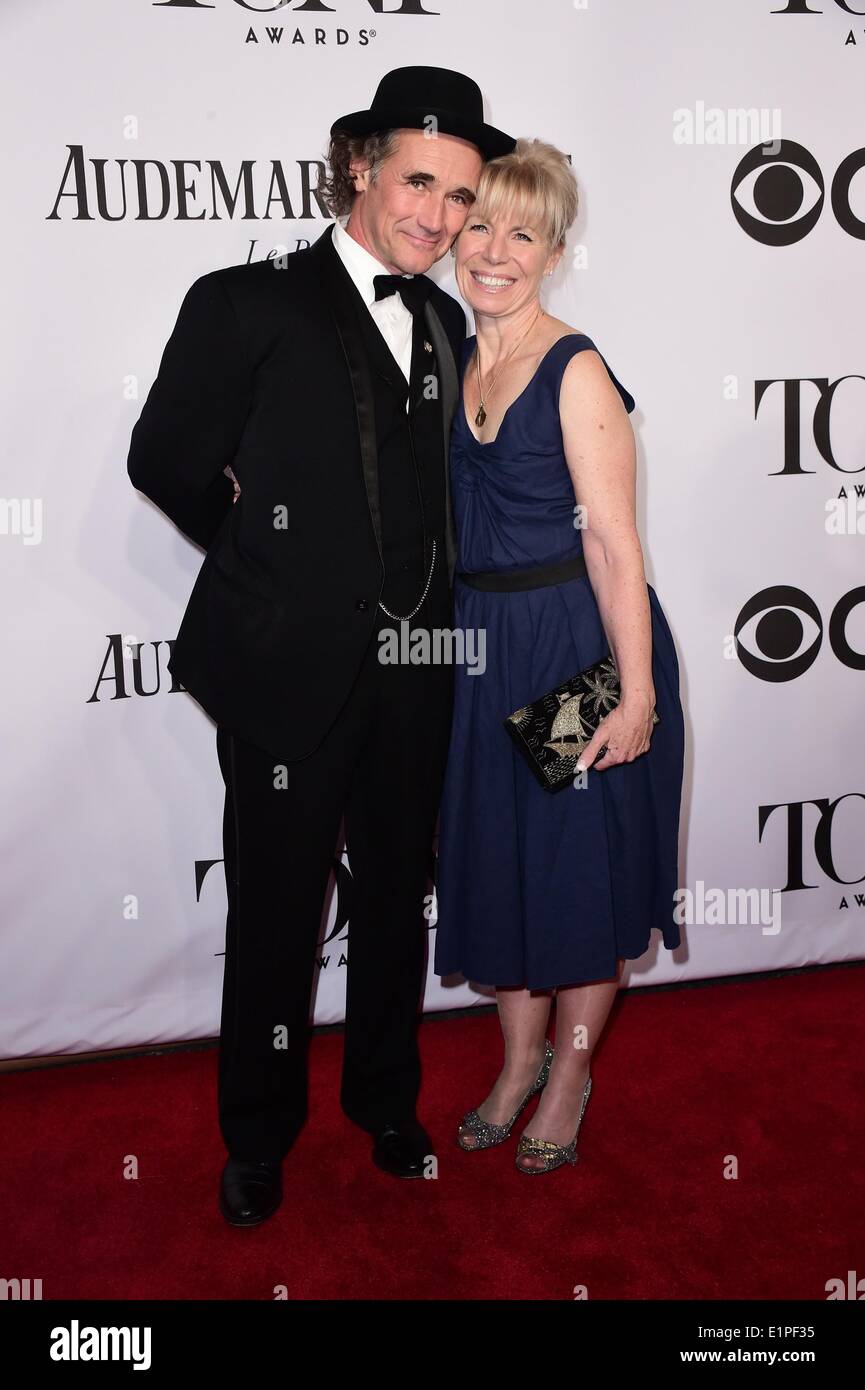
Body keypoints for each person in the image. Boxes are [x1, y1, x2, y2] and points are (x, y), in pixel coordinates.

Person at [126, 67, 515, 1224]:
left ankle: (385, 1102)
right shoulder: (242, 300)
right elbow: (164, 459)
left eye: (457, 195)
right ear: (359, 165)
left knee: (399, 895)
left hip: (414, 670)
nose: (437, 217)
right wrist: (259, 551)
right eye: (416, 183)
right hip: (289, 668)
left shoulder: (447, 318)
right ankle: (258, 1132)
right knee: (279, 909)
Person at [433, 139, 685, 1174]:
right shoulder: (452, 351)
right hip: (479, 647)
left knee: (576, 878)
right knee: (501, 869)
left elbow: (615, 544)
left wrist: (635, 694)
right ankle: (515, 1060)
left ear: (555, 250)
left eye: (521, 233)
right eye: (479, 224)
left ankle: (570, 1073)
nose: (494, 250)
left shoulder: (575, 368)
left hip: (573, 646)